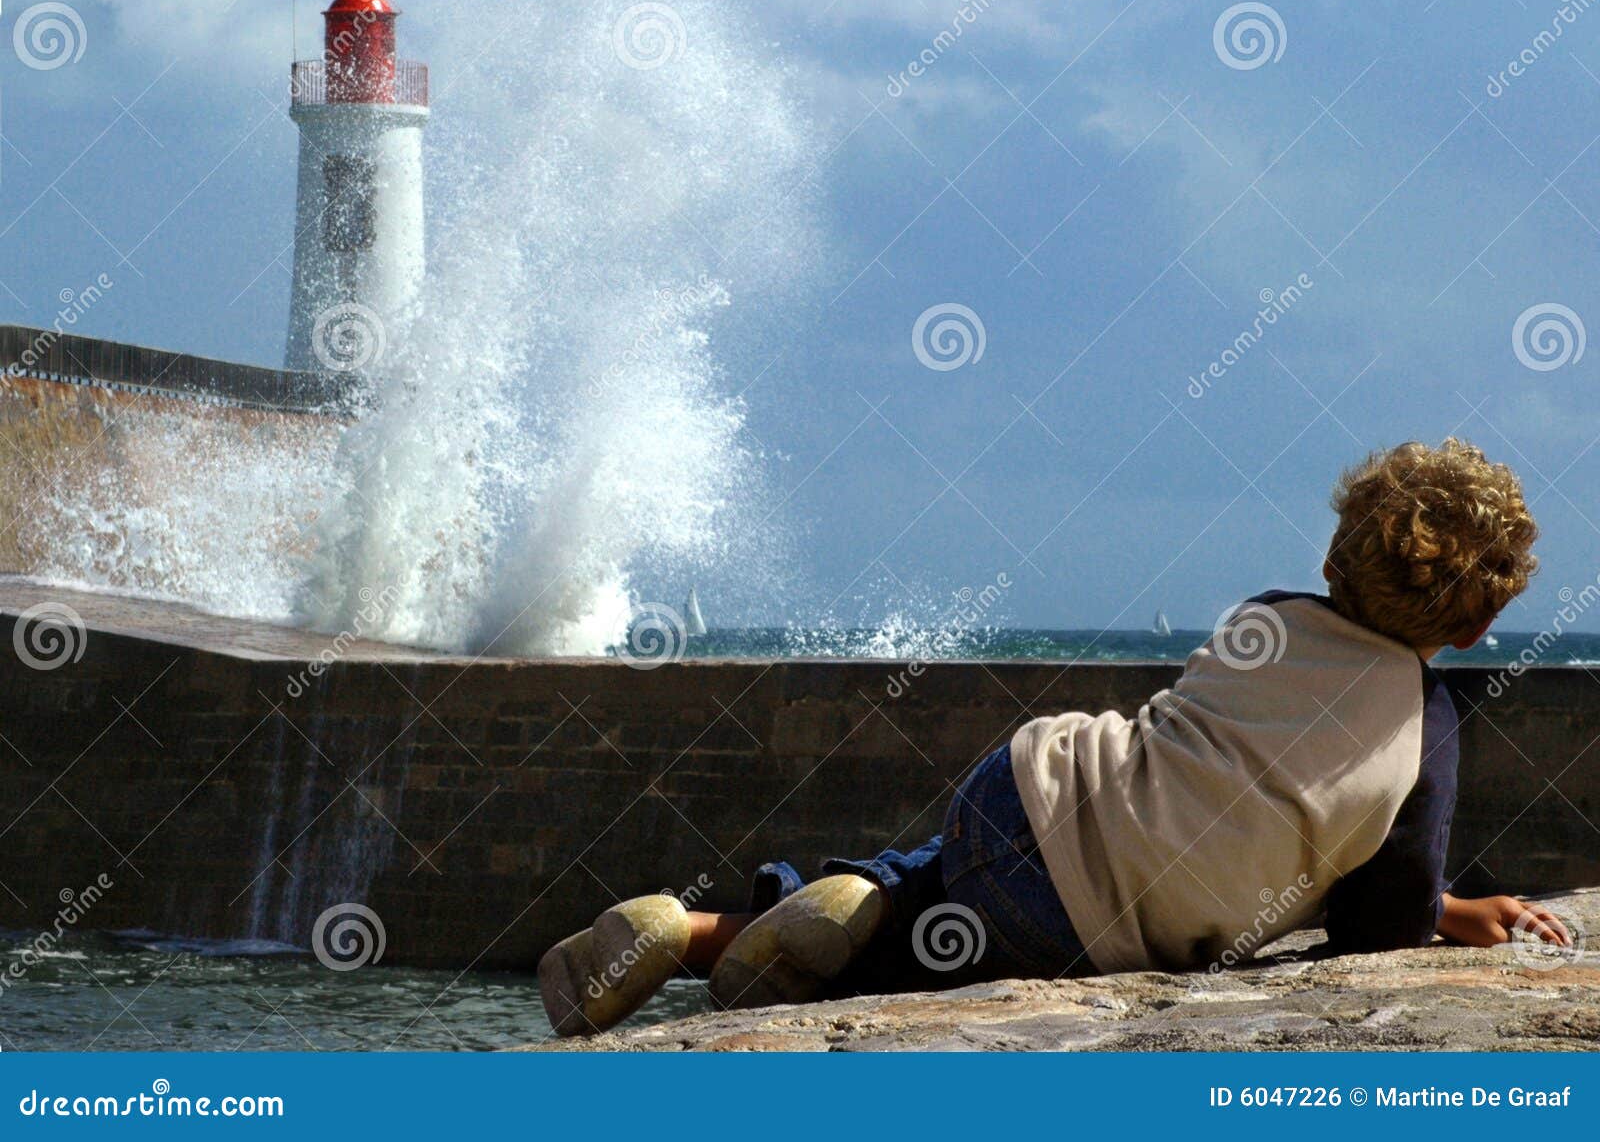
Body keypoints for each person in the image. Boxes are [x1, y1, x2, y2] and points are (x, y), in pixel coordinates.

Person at [540, 438, 1571, 1037]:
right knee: (928, 952)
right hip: (1085, 916)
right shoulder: (1426, 729)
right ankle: (833, 913)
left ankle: (705, 928)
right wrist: (1440, 912)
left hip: (1032, 788)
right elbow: (1376, 925)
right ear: (1478, 625)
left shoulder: (1270, 614)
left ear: (1338, 556)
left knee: (941, 885)